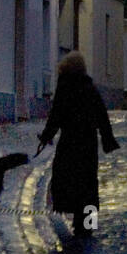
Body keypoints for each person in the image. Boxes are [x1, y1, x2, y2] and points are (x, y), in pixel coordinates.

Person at [37, 52, 119, 237]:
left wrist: (46, 136)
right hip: (88, 143)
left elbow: (56, 115)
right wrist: (107, 138)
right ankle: (89, 224)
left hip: (69, 142)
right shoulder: (90, 87)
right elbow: (102, 115)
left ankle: (75, 216)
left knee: (67, 180)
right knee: (88, 184)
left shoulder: (65, 87)